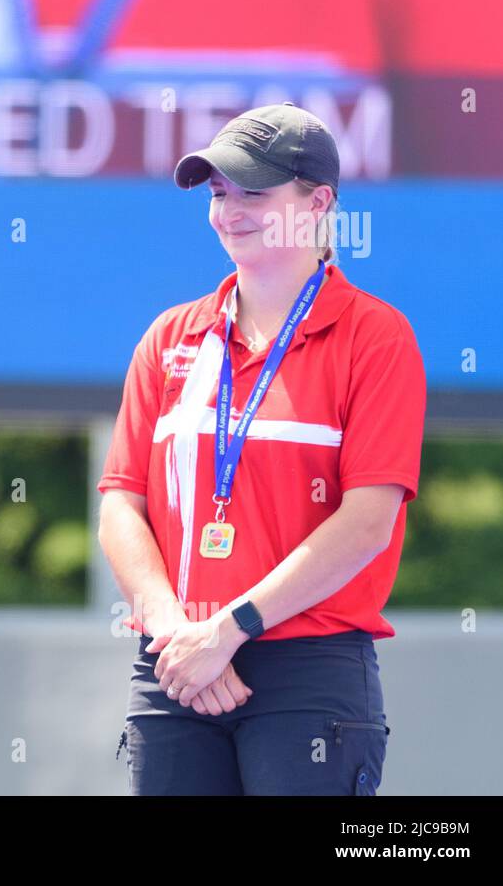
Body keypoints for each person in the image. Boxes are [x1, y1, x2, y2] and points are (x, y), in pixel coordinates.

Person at [98, 103, 426, 795]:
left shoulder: (375, 338)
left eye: (253, 191)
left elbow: (369, 521)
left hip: (307, 669)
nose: (228, 210)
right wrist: (177, 632)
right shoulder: (170, 338)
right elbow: (121, 505)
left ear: (319, 203)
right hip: (176, 667)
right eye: (219, 192)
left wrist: (231, 628)